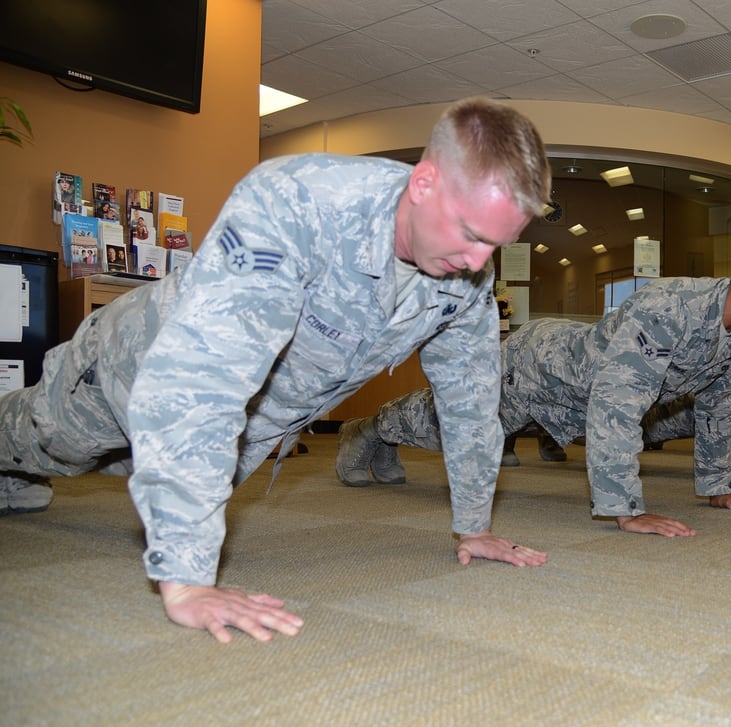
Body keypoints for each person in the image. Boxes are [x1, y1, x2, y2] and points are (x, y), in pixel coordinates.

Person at [0, 97, 551, 643]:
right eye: (473, 235)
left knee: (124, 475)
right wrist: (187, 582)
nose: (480, 264)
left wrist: (474, 525)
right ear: (424, 183)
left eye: (497, 245)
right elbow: (202, 378)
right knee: (46, 443)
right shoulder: (299, 203)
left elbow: (472, 402)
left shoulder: (466, 280)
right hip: (129, 366)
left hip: (249, 425)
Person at [336, 244, 731, 538]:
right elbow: (617, 406)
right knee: (446, 426)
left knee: (450, 431)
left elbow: (718, 409)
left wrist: (718, 488)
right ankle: (367, 430)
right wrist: (625, 510)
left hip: (575, 395)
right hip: (534, 369)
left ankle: (378, 436)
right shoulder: (669, 308)